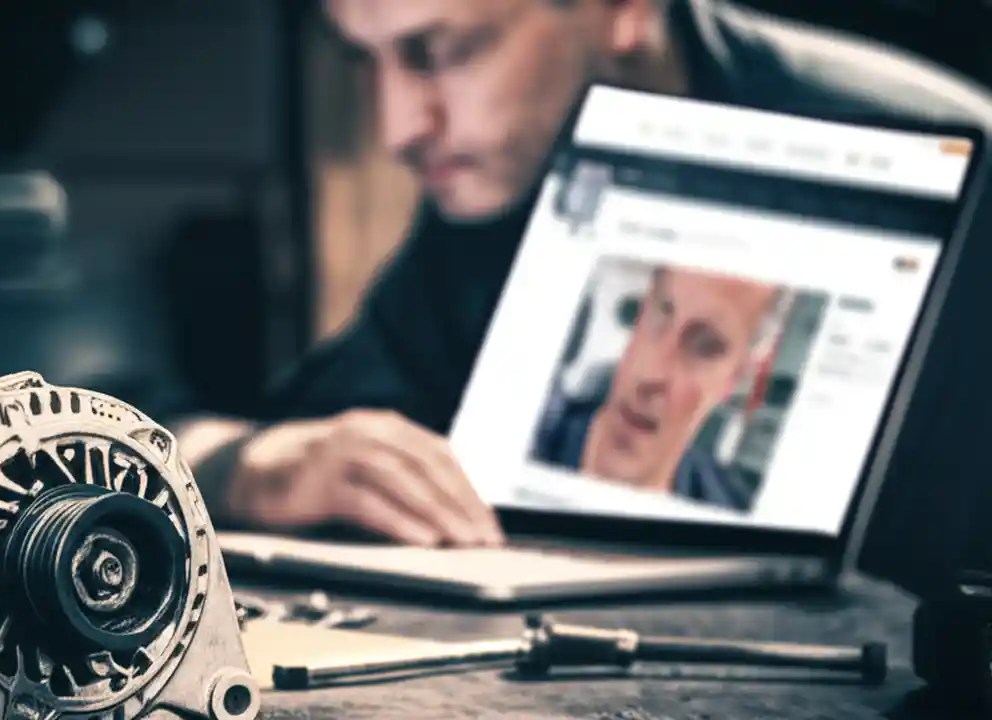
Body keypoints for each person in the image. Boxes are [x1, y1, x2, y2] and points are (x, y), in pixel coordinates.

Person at [171, 0, 992, 548]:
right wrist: (253, 467)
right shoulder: (495, 191)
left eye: (438, 51)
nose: (397, 129)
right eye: (367, 63)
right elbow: (296, 432)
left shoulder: (953, 166)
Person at [532, 266, 782, 511]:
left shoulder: (732, 528)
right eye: (660, 315)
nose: (650, 373)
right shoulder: (523, 439)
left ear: (736, 378)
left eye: (703, 346)